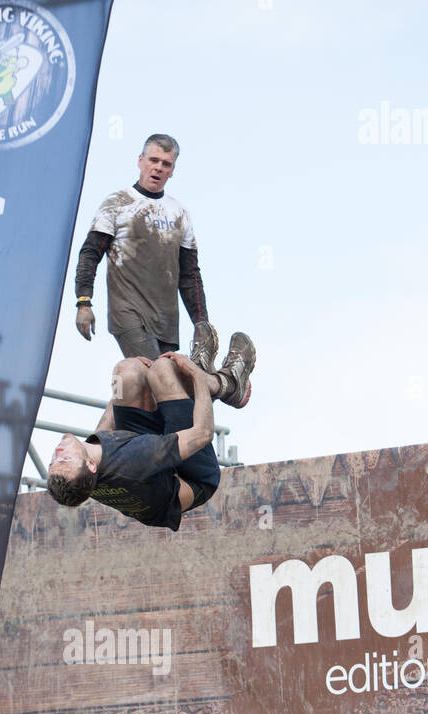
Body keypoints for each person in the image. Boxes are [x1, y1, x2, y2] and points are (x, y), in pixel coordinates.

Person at [46, 333, 255, 532]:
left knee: (125, 371)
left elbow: (104, 433)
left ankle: (188, 382)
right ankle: (226, 384)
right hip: (191, 476)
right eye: (64, 458)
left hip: (151, 463)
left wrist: (124, 384)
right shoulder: (137, 458)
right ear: (91, 466)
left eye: (53, 461)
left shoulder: (86, 470)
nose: (57, 451)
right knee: (162, 370)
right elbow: (203, 433)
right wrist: (195, 375)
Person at [74, 133, 214, 363]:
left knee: (157, 390)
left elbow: (190, 275)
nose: (158, 168)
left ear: (172, 170)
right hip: (128, 314)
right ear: (141, 160)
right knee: (162, 376)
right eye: (153, 160)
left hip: (166, 320)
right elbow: (90, 254)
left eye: (166, 164)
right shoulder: (117, 203)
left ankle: (120, 401)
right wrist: (83, 302)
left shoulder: (179, 213)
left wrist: (201, 321)